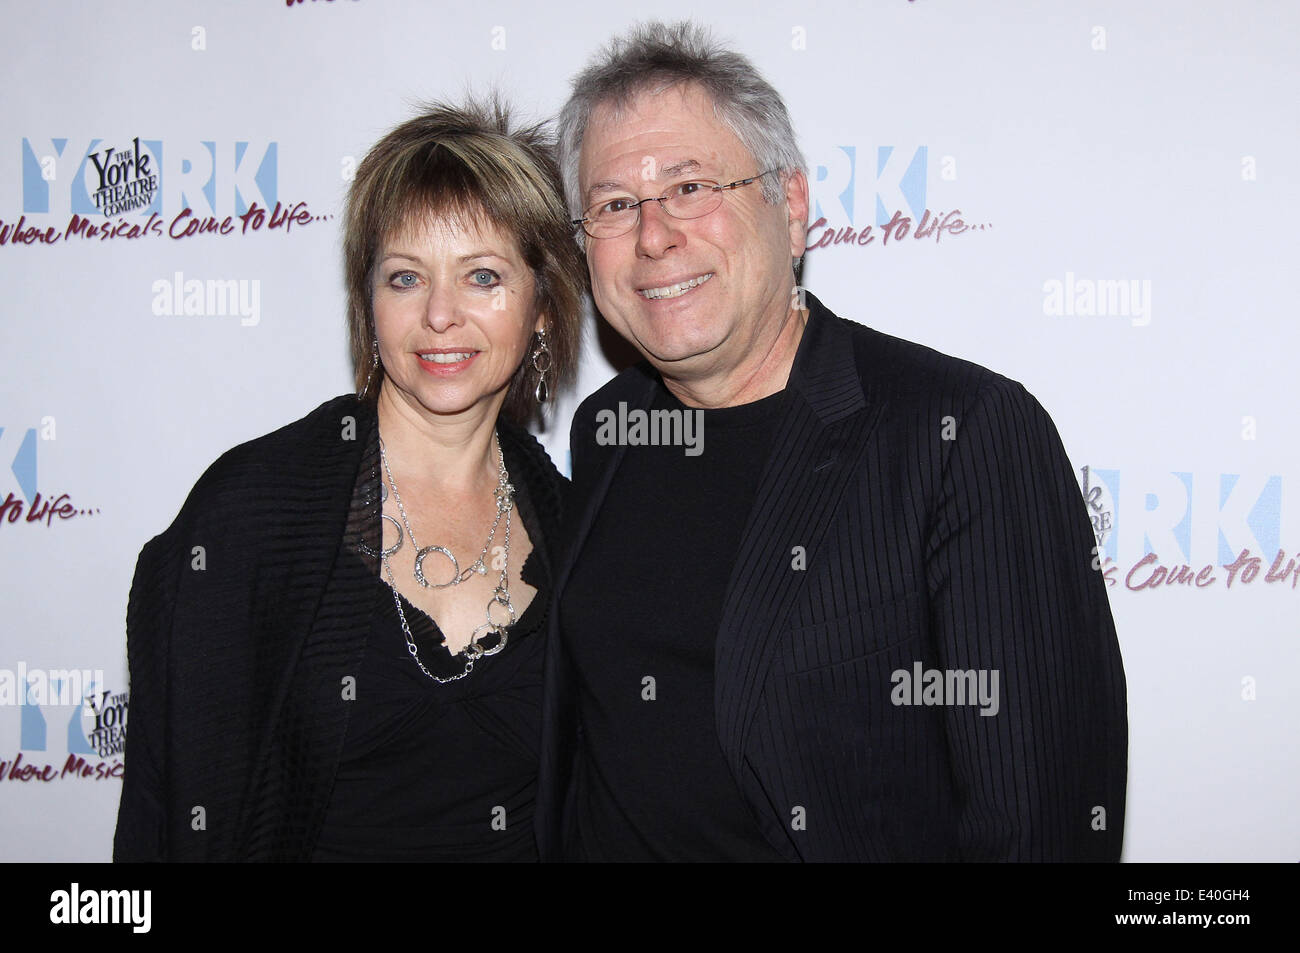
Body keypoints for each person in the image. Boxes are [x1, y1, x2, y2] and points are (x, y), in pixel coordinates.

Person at [537, 21, 1128, 862]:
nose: (654, 234)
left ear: (794, 206)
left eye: (691, 186)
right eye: (613, 205)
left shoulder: (964, 435)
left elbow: (1038, 825)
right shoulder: (605, 432)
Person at [113, 98, 585, 861]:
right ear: (368, 304)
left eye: (483, 276)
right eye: (405, 277)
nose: (439, 314)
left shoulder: (572, 526)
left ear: (541, 306)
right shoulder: (252, 516)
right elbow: (168, 823)